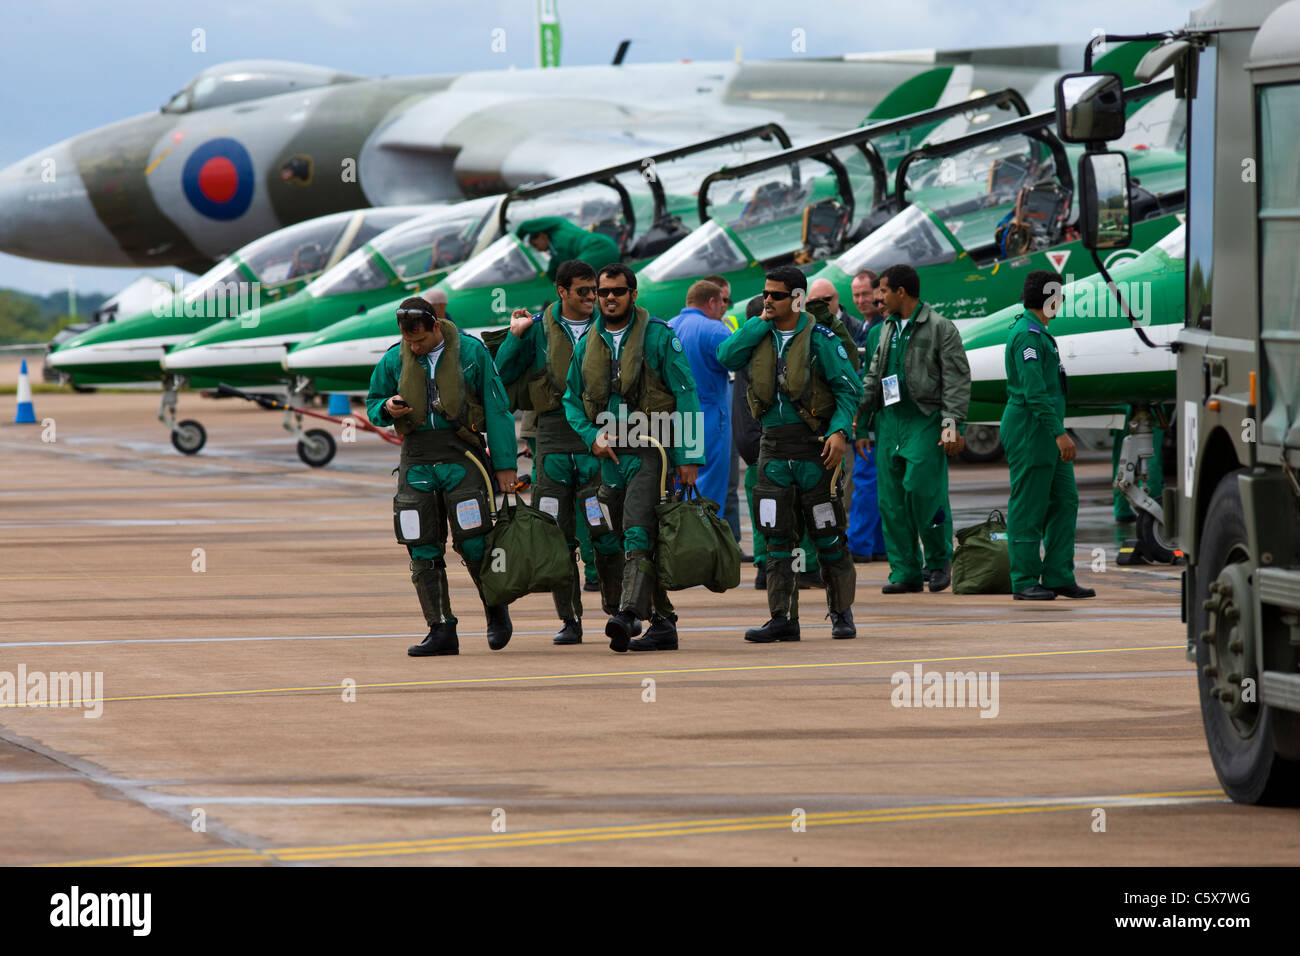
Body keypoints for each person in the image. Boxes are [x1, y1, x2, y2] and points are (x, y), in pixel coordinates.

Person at [562, 263, 703, 652]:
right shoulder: (588, 341)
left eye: (618, 291)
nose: (608, 298)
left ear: (633, 294)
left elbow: (686, 394)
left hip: (650, 451)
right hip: (609, 456)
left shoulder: (658, 337)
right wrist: (591, 436)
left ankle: (627, 615)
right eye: (602, 291)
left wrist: (688, 456)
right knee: (613, 534)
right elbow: (571, 399)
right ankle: (663, 621)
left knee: (639, 529)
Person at [366, 297, 519, 656]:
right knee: (421, 546)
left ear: (436, 326)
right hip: (417, 459)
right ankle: (440, 628)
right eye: (409, 341)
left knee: (474, 542)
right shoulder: (394, 358)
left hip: (462, 455)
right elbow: (373, 403)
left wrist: (505, 466)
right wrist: (387, 408)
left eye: (419, 340)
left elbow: (498, 408)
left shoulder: (472, 353)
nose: (414, 347)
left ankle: (495, 609)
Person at [718, 266, 863, 642]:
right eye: (766, 293)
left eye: (777, 295)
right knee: (774, 537)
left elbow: (849, 390)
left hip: (814, 449)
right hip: (773, 449)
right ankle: (782, 618)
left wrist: (839, 431)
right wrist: (757, 324)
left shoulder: (822, 339)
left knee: (828, 533)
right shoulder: (758, 335)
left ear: (797, 299)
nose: (768, 300)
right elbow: (726, 357)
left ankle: (841, 613)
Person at [495, 260, 604, 645]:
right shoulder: (537, 329)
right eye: (584, 291)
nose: (592, 298)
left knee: (604, 526)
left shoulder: (607, 325)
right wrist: (516, 336)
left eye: (595, 290)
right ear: (562, 291)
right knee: (558, 535)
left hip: (598, 437)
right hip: (553, 439)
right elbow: (502, 371)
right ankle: (570, 621)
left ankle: (616, 612)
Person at [854, 264, 969, 594]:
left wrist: (951, 423)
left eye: (884, 290)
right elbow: (873, 378)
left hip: (925, 420)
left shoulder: (940, 328)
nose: (878, 297)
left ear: (900, 292)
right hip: (890, 423)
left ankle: (937, 560)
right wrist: (862, 424)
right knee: (891, 502)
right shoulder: (884, 329)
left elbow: (956, 379)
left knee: (924, 494)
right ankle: (904, 569)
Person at [1002, 271, 1096, 600]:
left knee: (1065, 500)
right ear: (1051, 298)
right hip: (1032, 429)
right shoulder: (1027, 336)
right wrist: (1060, 433)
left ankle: (1057, 574)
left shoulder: (1040, 333)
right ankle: (1024, 579)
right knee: (1029, 506)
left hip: (1046, 428)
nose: (1064, 302)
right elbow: (1034, 393)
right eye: (1061, 296)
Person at [669, 279, 734, 510]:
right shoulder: (714, 329)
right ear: (712, 301)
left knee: (674, 491)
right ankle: (706, 542)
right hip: (709, 420)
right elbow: (740, 360)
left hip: (672, 422)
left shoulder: (667, 327)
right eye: (722, 302)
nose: (723, 309)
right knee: (709, 495)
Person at [846, 270, 887, 562]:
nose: (861, 300)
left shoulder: (878, 329)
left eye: (865, 294)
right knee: (879, 481)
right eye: (856, 295)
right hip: (881, 416)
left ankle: (859, 543)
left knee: (866, 479)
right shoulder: (867, 327)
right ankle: (877, 544)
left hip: (873, 416)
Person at [516, 217, 621, 285]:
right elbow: (552, 275)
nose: (537, 249)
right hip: (594, 250)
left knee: (572, 275)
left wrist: (517, 238)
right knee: (568, 275)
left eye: (535, 244)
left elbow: (525, 225)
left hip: (599, 246)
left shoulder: (559, 226)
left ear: (542, 235)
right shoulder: (556, 255)